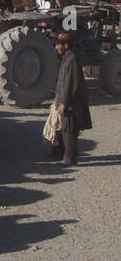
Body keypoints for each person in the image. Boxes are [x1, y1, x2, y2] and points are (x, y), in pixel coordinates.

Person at [45, 32, 91, 166]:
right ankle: (59, 153)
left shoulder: (72, 60)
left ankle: (70, 159)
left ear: (66, 45)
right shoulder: (66, 58)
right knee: (61, 129)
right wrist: (57, 99)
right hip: (63, 101)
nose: (56, 48)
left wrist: (64, 103)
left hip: (71, 104)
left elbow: (71, 84)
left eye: (58, 45)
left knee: (69, 131)